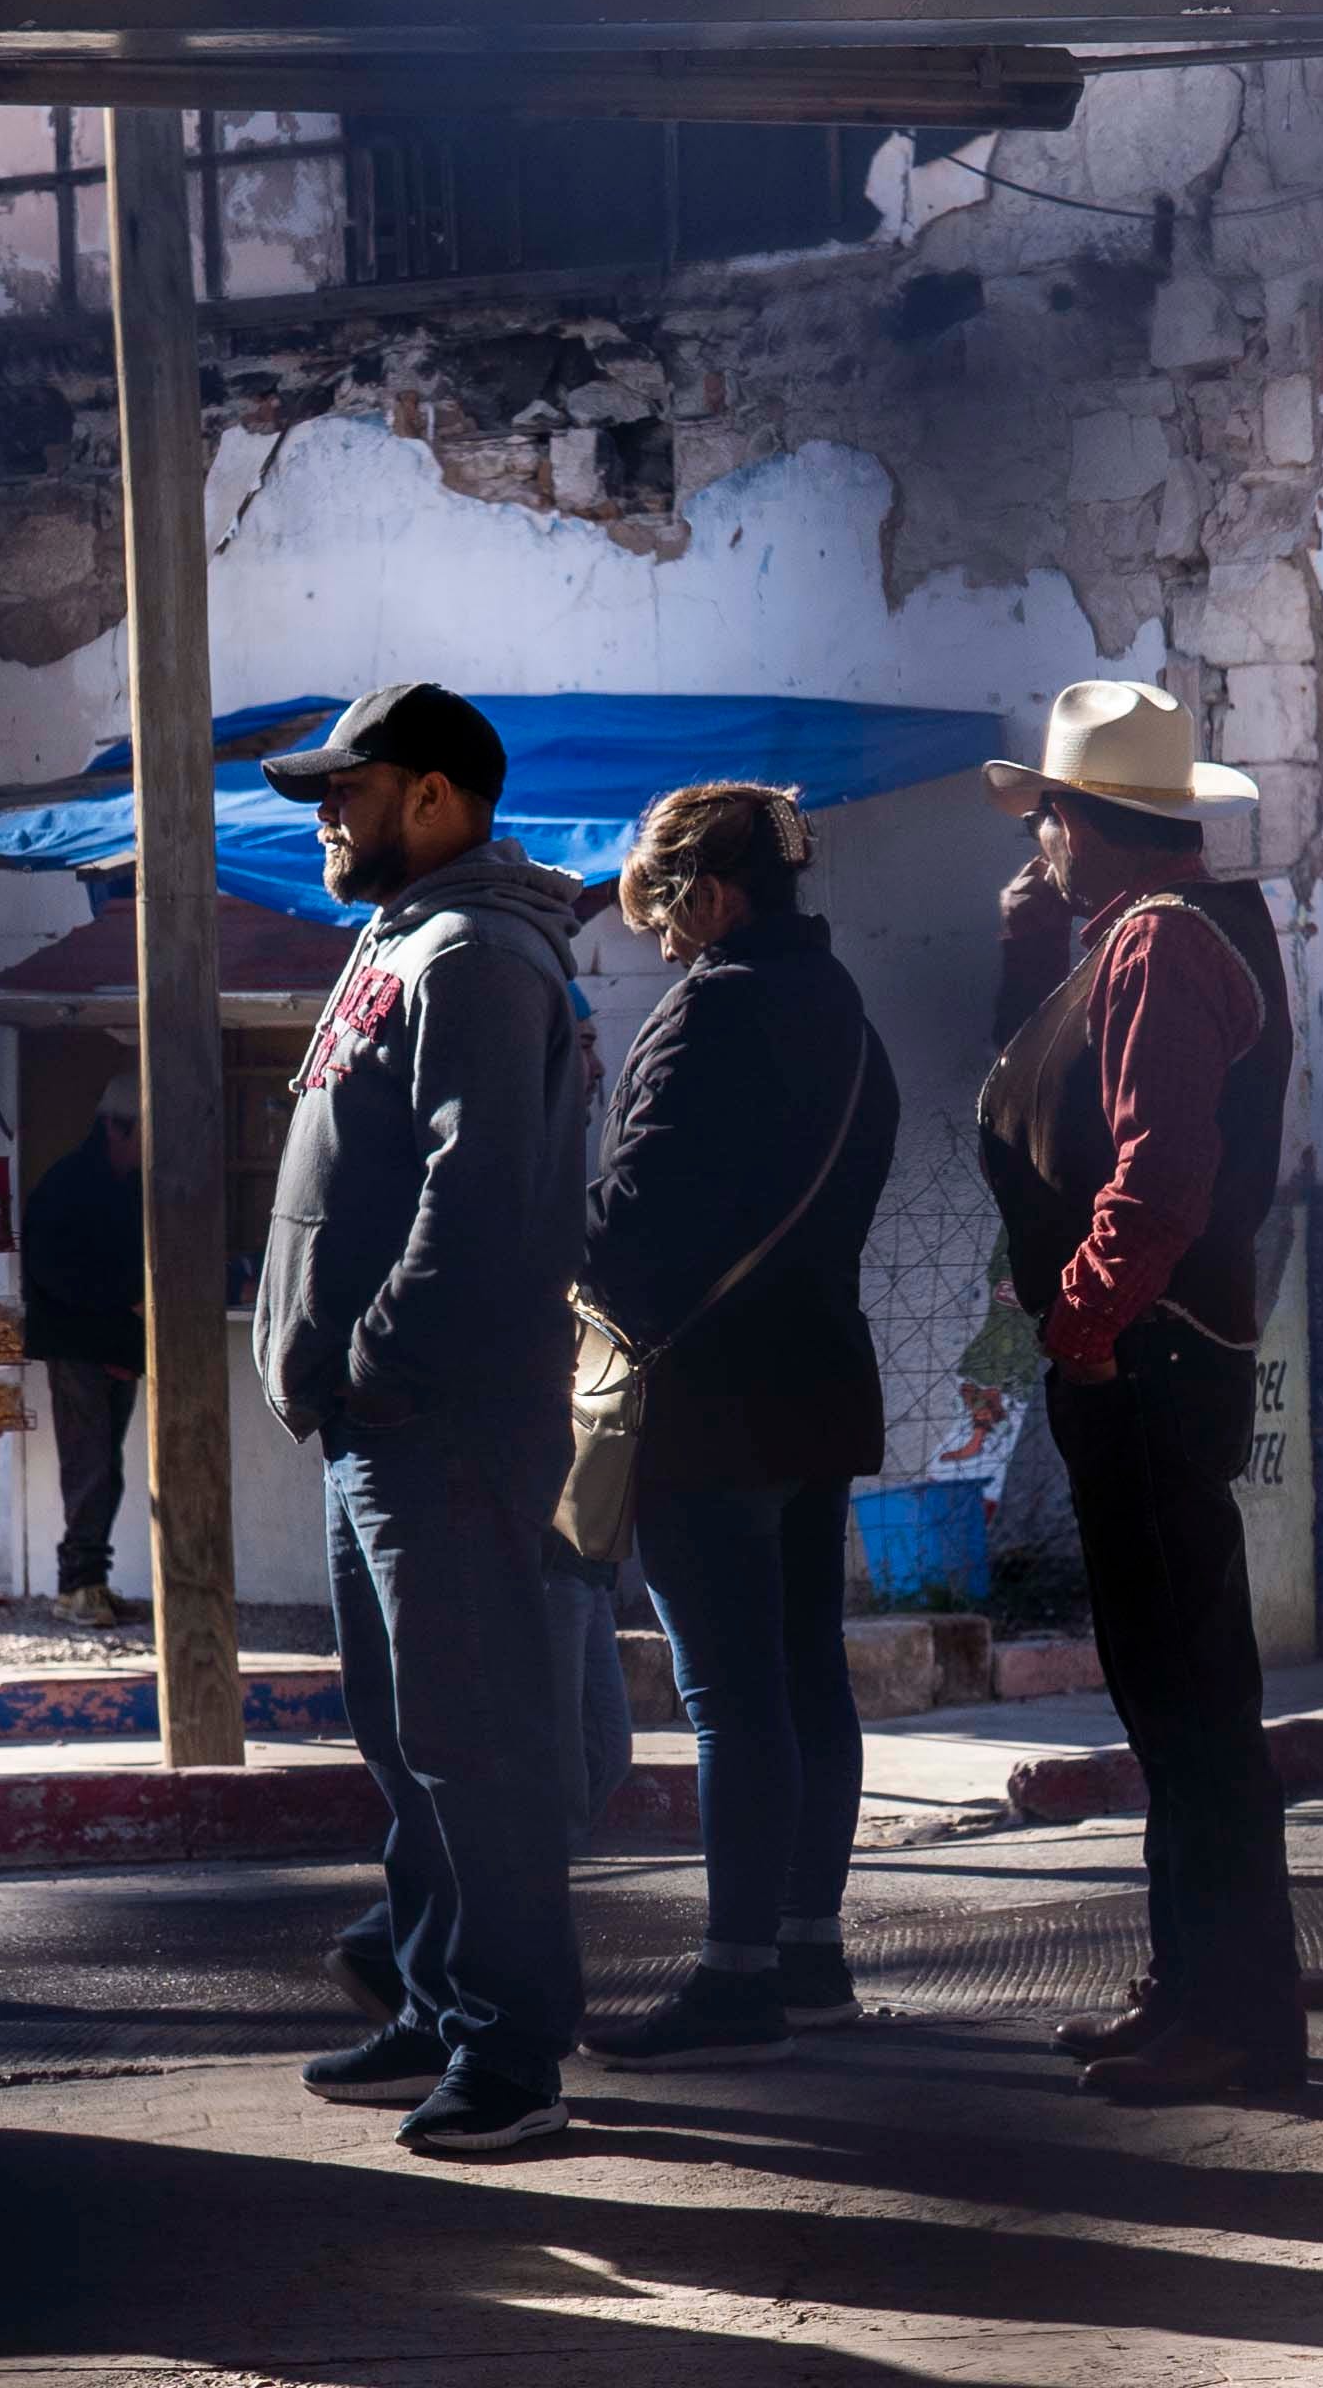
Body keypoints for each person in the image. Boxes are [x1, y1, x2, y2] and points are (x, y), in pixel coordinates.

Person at [255, 681, 591, 2156]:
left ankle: (513, 2054)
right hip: (373, 1424)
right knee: (409, 1740)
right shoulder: (397, 942)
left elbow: (480, 1194)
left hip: (439, 1421)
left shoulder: (477, 955)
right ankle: (440, 1999)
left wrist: (379, 1357)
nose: (328, 814)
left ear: (439, 798)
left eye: (351, 788)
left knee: (476, 1740)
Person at [978, 680, 1303, 2102]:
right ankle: (1193, 1988)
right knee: (1175, 1707)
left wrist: (1087, 1322)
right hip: (1151, 1353)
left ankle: (1233, 2015)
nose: (1037, 842)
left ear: (1088, 821)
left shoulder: (1164, 947)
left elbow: (1160, 1172)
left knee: (1192, 1707)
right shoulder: (1141, 934)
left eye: (1047, 817)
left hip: (1150, 1359)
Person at [573, 783, 901, 2070]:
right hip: (821, 1379)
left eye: (664, 908)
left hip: (707, 1396)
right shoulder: (851, 1014)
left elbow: (636, 1214)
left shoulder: (710, 1008)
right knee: (809, 1674)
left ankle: (735, 1972)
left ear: (713, 894)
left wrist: (575, 1272)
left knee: (731, 1699)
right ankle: (811, 1952)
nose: (658, 938)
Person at [23, 1074, 144, 1630]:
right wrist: (124, 1303)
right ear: (116, 1127)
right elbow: (52, 1277)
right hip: (79, 1350)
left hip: (113, 1346)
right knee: (90, 1468)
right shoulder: (68, 1185)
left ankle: (91, 1579)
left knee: (106, 1469)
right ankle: (77, 1587)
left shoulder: (127, 1185)